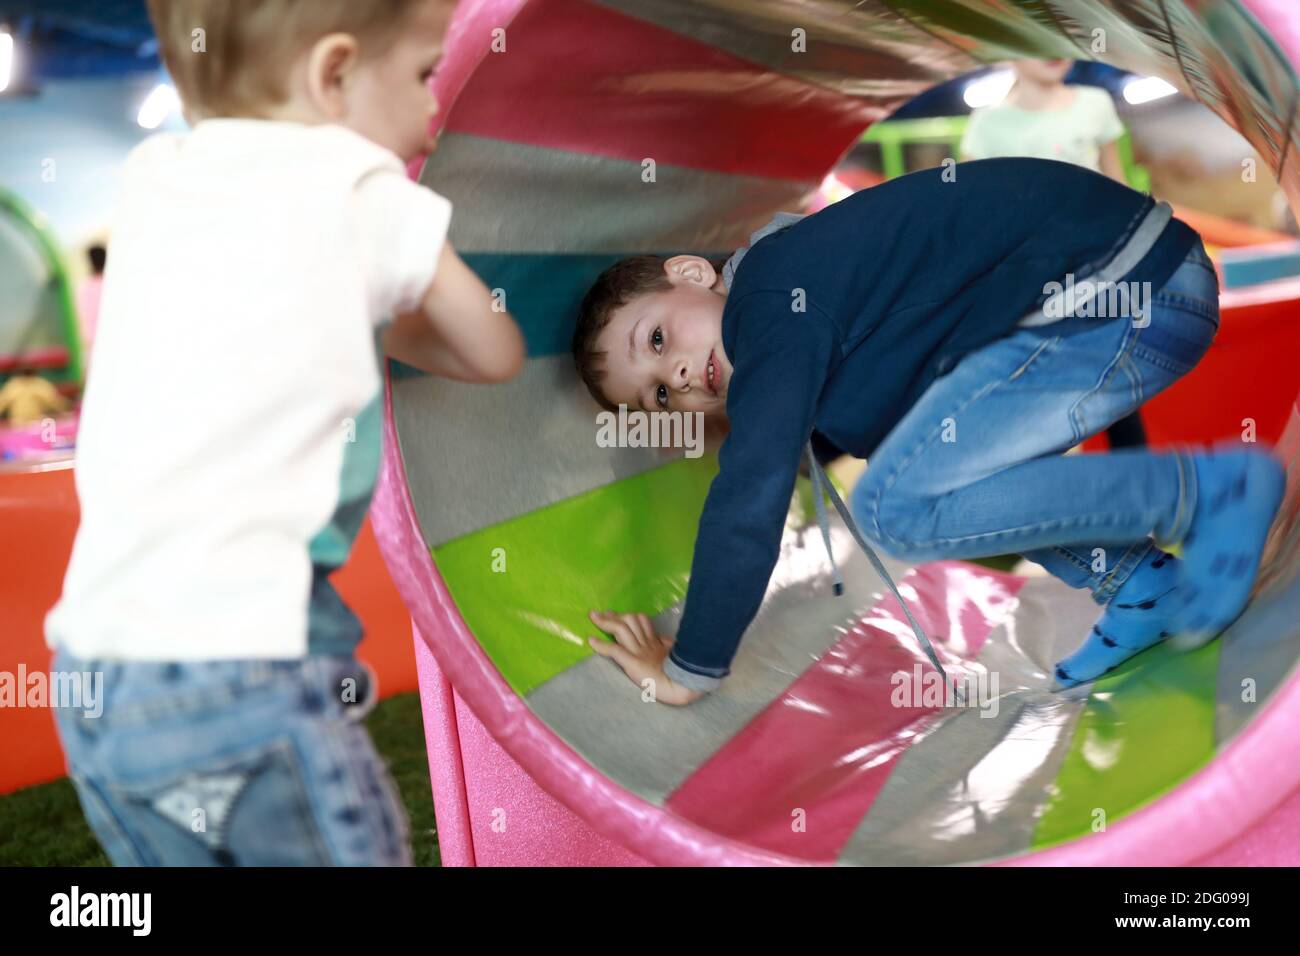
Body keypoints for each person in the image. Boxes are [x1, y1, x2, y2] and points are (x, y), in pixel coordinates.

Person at [44, 0, 524, 865]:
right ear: (332, 74)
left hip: (93, 681)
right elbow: (492, 351)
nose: (432, 109)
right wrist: (381, 306)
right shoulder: (364, 185)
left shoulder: (156, 176)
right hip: (242, 673)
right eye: (422, 74)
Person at [571, 158, 1283, 704]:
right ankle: (1141, 586)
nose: (682, 378)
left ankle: (1212, 492)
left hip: (1124, 289)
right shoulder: (800, 301)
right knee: (932, 466)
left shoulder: (766, 305)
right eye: (659, 396)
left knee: (894, 506)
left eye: (659, 339)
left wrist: (687, 668)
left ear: (695, 273)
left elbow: (746, 496)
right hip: (1136, 293)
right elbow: (849, 414)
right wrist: (803, 448)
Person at [963, 58, 1146, 448]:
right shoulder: (987, 124)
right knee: (1043, 391)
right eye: (1035, 40)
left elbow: (1118, 184)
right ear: (1009, 49)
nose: (1050, 51)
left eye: (1057, 37)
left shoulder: (1094, 102)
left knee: (1116, 385)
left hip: (1095, 266)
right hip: (1029, 280)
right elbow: (977, 212)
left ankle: (1140, 490)